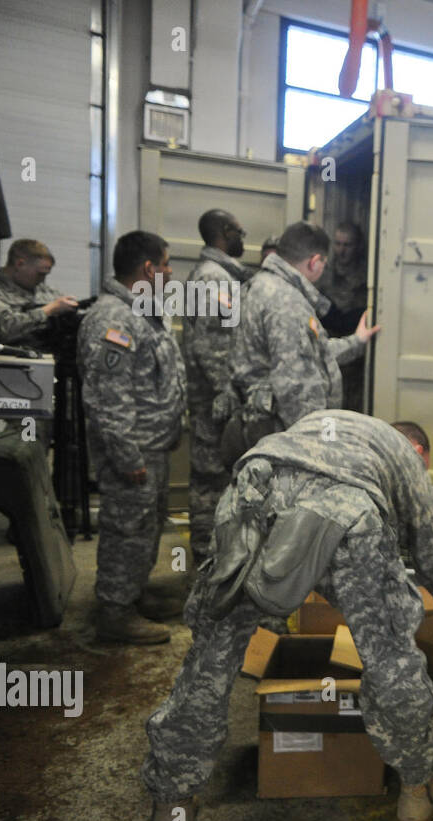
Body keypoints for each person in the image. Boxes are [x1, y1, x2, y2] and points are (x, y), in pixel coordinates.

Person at [141, 410, 433, 821]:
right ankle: (416, 794)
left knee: (210, 660)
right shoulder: (405, 460)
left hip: (250, 495)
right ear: (417, 451)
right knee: (390, 658)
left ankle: (173, 809)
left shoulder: (322, 426)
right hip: (347, 518)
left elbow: (290, 530)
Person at [78, 231, 186, 644]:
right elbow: (107, 397)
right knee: (127, 529)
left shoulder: (140, 312)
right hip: (133, 450)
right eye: (166, 264)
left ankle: (131, 596)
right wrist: (128, 456)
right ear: (147, 269)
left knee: (145, 528)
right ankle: (115, 613)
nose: (170, 271)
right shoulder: (113, 319)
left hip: (150, 446)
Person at [222, 221, 378, 458]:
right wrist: (318, 447)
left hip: (256, 427)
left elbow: (313, 351)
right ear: (315, 262)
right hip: (283, 439)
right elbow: (297, 387)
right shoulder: (288, 304)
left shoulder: (257, 286)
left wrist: (357, 341)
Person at [184, 209, 255, 566]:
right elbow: (210, 349)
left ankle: (209, 562)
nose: (245, 238)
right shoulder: (214, 280)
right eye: (241, 231)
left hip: (213, 401)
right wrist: (228, 396)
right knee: (211, 485)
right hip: (216, 404)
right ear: (226, 232)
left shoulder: (214, 276)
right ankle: (207, 563)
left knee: (211, 482)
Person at [0, 239, 79, 348]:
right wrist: (48, 310)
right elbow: (4, 330)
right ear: (20, 264)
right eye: (40, 274)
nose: (43, 280)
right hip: (10, 360)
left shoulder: (43, 290)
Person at [314, 222, 369, 412]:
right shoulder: (321, 273)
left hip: (356, 361)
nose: (341, 250)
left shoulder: (367, 276)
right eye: (337, 244)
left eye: (347, 245)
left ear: (358, 246)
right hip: (328, 353)